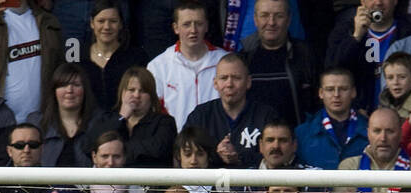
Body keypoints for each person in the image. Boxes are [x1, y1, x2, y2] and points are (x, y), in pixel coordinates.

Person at [183, 53, 277, 169]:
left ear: (248, 82)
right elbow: (184, 154)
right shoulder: (200, 115)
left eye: (236, 78)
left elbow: (278, 155)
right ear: (215, 83)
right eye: (223, 78)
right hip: (208, 185)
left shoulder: (266, 115)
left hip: (255, 185)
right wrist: (217, 155)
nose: (229, 84)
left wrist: (238, 157)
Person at [325, 0, 411, 113]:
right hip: (358, 117)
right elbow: (332, 73)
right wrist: (355, 37)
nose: (378, 2)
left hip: (401, 116)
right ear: (362, 1)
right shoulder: (344, 30)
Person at [146, 0, 226, 128]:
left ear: (206, 26)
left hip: (217, 142)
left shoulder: (224, 61)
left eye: (198, 24)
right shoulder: (158, 66)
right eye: (186, 24)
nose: (193, 30)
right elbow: (153, 112)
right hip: (176, 144)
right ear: (176, 28)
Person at [238, 0, 317, 126]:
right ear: (255, 19)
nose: (271, 22)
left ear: (289, 19)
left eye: (279, 16)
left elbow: (318, 104)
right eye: (264, 15)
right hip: (252, 140)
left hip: (296, 140)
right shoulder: (243, 59)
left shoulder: (306, 55)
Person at [84, 65, 176, 168]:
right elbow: (88, 146)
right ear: (122, 93)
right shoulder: (106, 119)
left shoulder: (164, 122)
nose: (136, 95)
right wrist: (121, 117)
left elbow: (156, 150)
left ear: (151, 95)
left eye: (142, 91)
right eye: (131, 90)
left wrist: (117, 151)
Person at [80, 0, 148, 114]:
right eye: (101, 21)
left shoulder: (137, 57)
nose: (107, 27)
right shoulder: (77, 54)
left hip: (124, 122)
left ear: (121, 24)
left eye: (113, 21)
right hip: (86, 125)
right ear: (92, 23)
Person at [294, 66, 368, 169]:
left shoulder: (371, 132)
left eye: (343, 89)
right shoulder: (302, 134)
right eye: (330, 89)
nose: (336, 94)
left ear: (353, 92)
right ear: (321, 93)